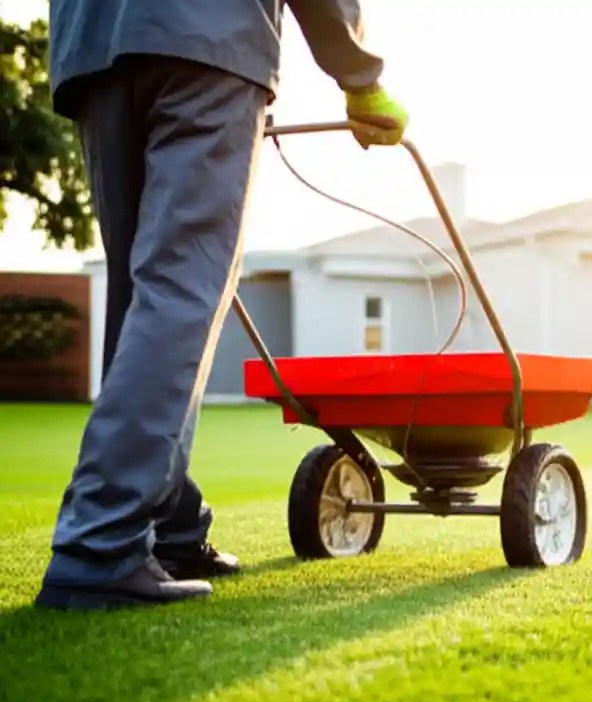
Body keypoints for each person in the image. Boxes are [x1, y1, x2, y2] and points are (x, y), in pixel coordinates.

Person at [34, 1, 409, 611]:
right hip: (208, 39)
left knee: (142, 300)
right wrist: (358, 75)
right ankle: (98, 545)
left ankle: (169, 526)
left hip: (92, 48)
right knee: (180, 287)